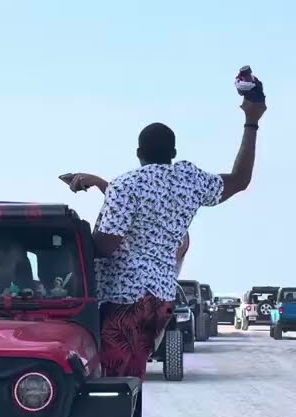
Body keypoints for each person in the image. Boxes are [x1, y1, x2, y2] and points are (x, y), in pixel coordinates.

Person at [60, 94, 266, 378]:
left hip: (123, 298)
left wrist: (76, 242)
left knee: (107, 384)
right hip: (159, 301)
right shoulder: (190, 181)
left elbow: (107, 246)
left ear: (138, 152)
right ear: (173, 152)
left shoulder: (126, 185)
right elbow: (240, 180)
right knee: (132, 380)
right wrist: (251, 122)